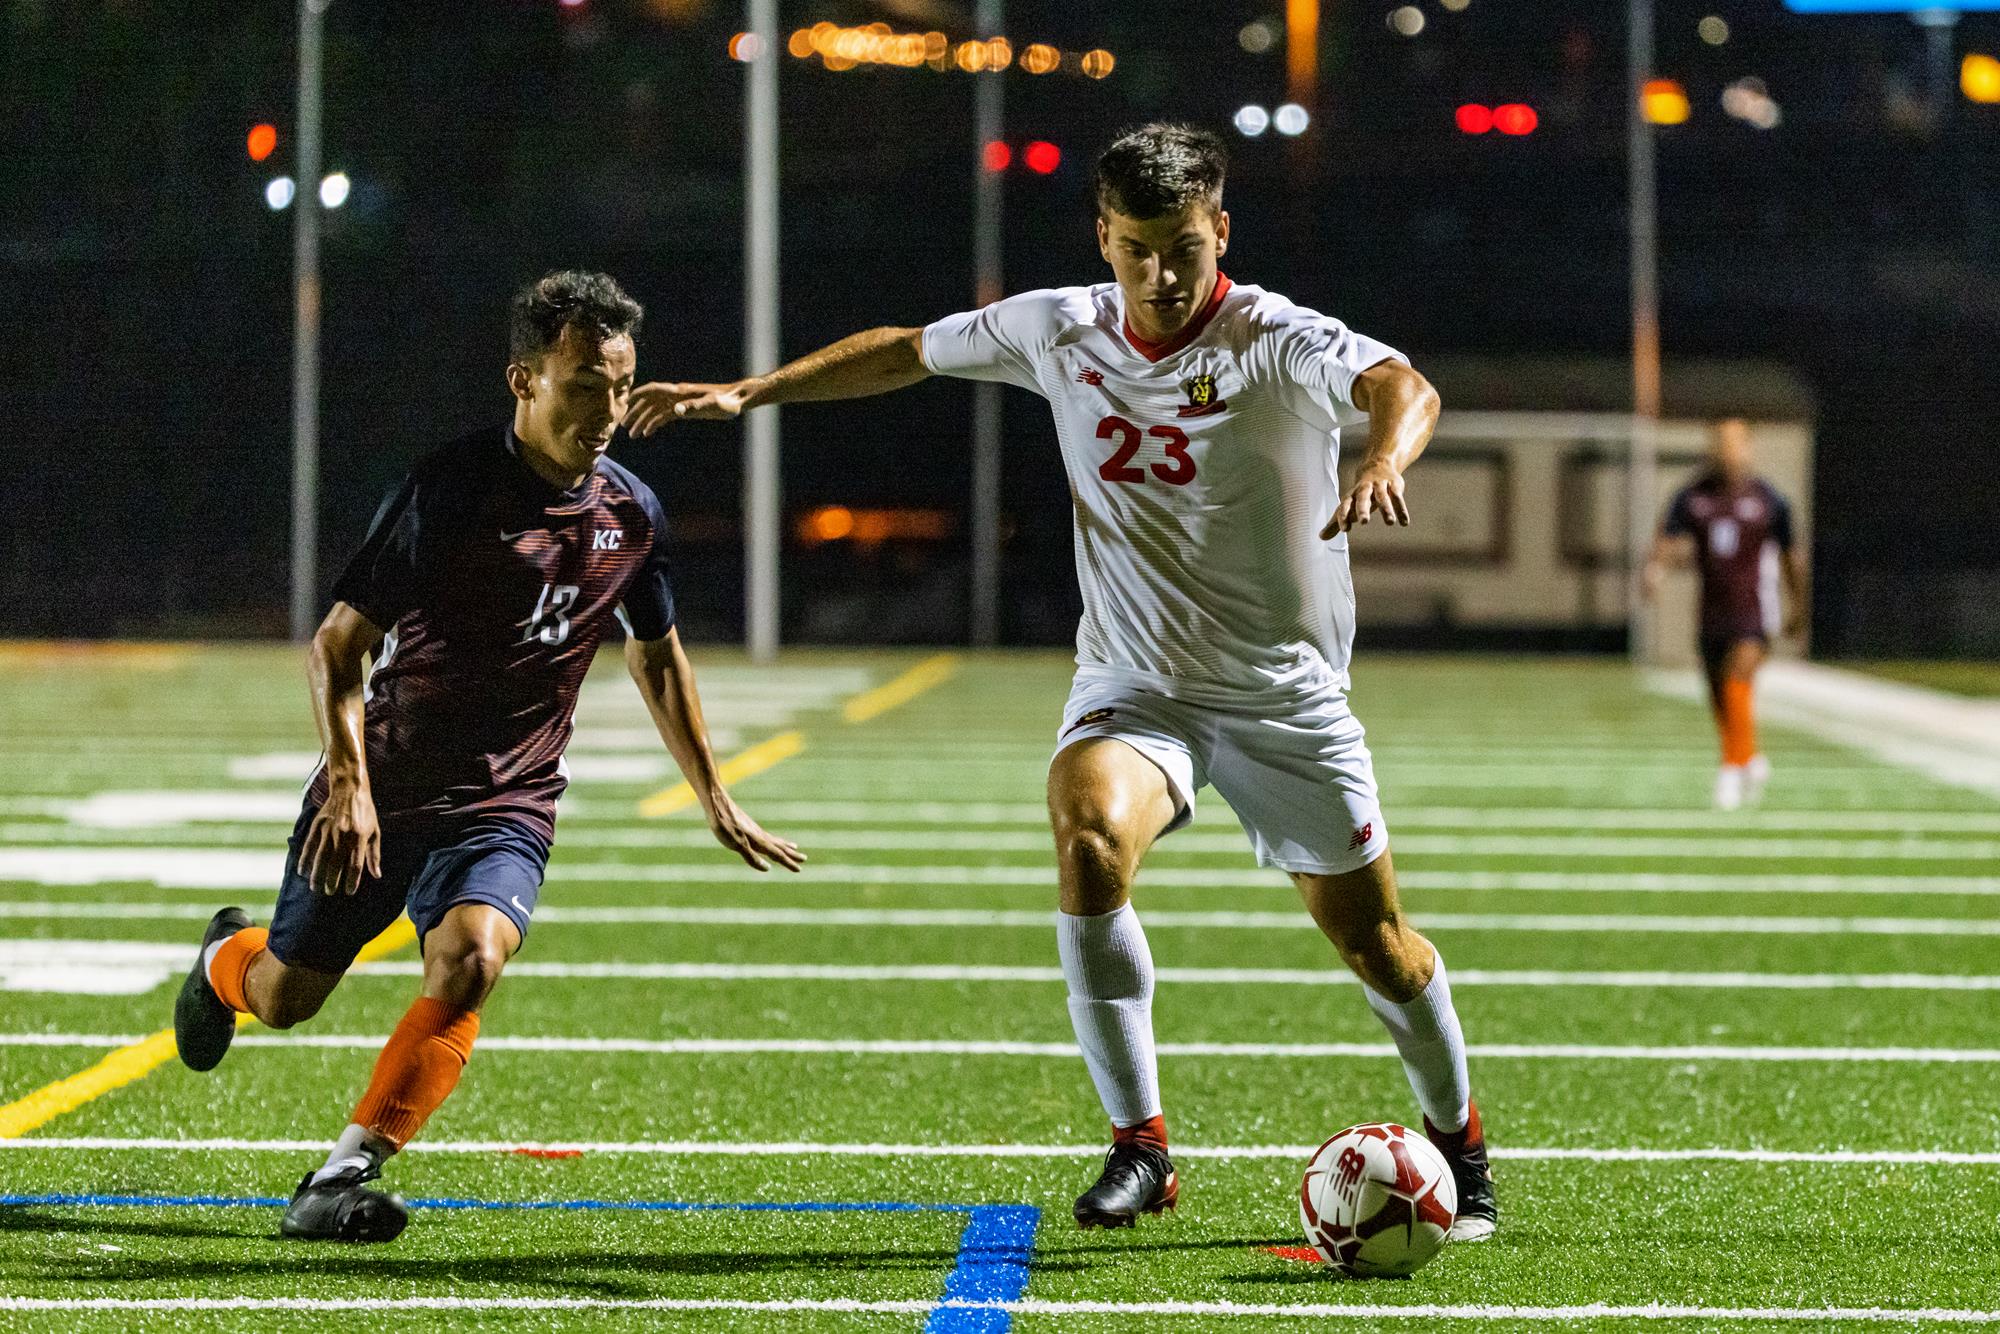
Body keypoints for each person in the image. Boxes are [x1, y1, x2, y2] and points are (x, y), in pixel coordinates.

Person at [626, 124, 1496, 1240]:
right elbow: (904, 348)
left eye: (1182, 245)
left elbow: (1398, 384)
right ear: (1104, 238)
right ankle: (1141, 1144)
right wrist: (750, 393)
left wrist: (1381, 453)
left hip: (1286, 698)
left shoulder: (1271, 334)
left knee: (1376, 942)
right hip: (1136, 686)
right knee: (1086, 830)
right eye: (1135, 249)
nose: (1160, 273)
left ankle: (1459, 1143)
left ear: (1218, 230)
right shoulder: (1059, 326)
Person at [173, 270, 802, 1242]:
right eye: (584, 382)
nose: (606, 408)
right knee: (285, 995)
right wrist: (350, 786)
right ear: (524, 379)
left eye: (621, 384)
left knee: (471, 958)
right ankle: (223, 955)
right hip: (387, 785)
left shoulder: (631, 513)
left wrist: (715, 792)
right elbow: (340, 644)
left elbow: (655, 651)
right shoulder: (449, 488)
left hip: (507, 801)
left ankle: (338, 1176)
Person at [1643, 418, 1807, 810]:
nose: (1728, 451)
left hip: (1755, 610)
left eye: (1736, 443)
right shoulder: (1693, 497)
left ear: (1750, 448)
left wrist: (1799, 605)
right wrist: (1655, 570)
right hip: (1712, 612)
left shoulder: (1769, 500)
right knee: (1719, 695)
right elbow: (1667, 538)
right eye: (1721, 443)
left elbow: (1790, 556)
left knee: (1737, 677)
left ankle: (1730, 771)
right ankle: (1747, 754)